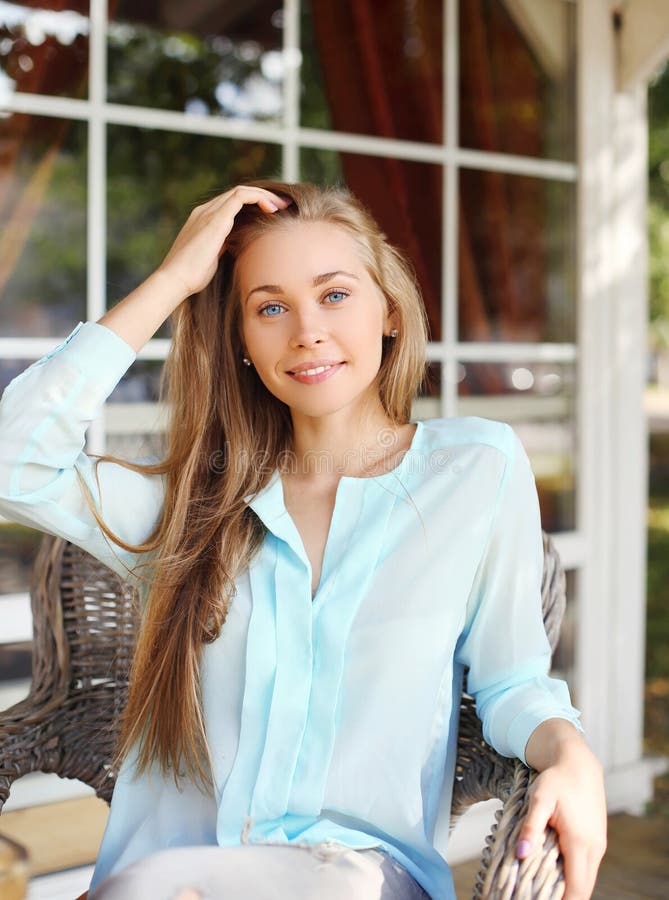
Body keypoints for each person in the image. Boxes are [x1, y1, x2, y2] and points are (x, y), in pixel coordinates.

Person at [0, 180, 607, 899]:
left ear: (388, 310)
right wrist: (173, 280)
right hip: (166, 880)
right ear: (242, 343)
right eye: (269, 308)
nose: (306, 331)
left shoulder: (475, 469)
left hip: (357, 878)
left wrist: (572, 755)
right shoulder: (188, 507)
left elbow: (512, 680)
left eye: (336, 295)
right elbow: (16, 458)